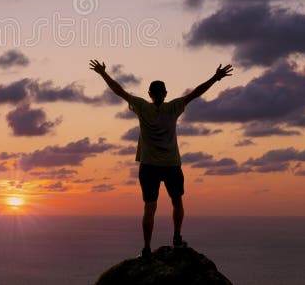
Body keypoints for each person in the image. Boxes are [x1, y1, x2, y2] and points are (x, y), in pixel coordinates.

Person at [89, 59, 233, 258]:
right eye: (162, 93)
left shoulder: (142, 107)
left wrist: (103, 74)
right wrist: (216, 78)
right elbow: (196, 93)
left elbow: (119, 91)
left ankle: (147, 249)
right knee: (177, 201)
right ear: (165, 94)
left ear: (149, 94)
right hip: (171, 164)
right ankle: (176, 237)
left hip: (149, 166)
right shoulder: (173, 107)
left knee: (149, 206)